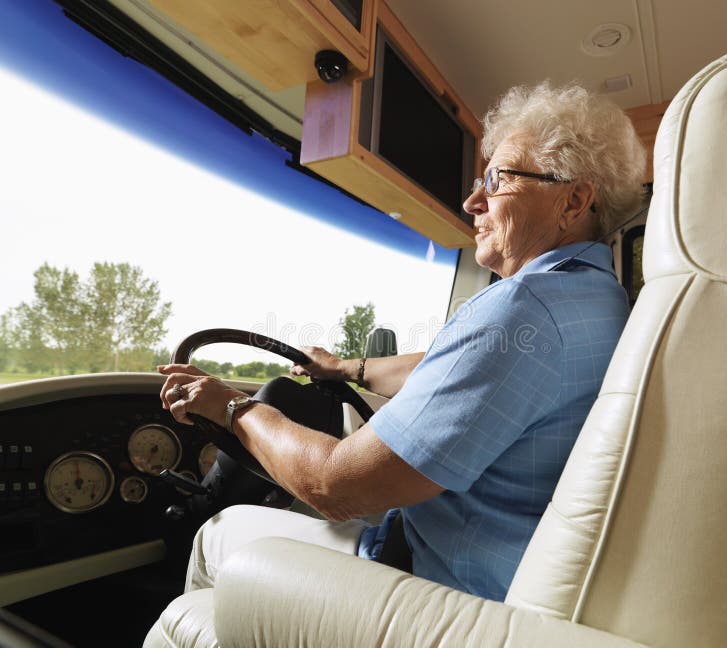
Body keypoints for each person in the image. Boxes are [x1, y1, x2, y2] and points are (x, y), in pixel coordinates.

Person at [158, 81, 645, 602]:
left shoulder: (523, 306)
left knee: (218, 533)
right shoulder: (601, 300)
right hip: (505, 578)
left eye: (498, 180)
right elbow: (457, 373)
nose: (472, 201)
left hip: (437, 587)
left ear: (574, 200)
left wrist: (232, 408)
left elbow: (335, 487)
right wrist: (347, 369)